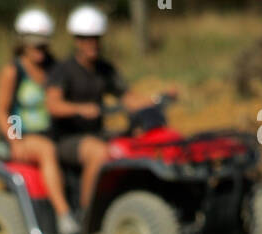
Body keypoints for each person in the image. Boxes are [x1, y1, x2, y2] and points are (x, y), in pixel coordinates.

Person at [45, 5, 172, 215]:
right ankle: (87, 214)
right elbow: (53, 104)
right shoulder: (63, 70)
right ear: (76, 40)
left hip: (97, 134)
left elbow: (128, 97)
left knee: (133, 144)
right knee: (99, 153)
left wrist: (157, 99)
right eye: (86, 38)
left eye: (96, 38)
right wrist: (79, 109)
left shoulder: (105, 69)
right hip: (67, 140)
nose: (92, 44)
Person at [0, 9, 80, 234]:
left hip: (55, 132)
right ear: (22, 43)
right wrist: (15, 140)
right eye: (34, 45)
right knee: (47, 150)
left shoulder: (55, 68)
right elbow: (3, 110)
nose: (39, 50)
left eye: (43, 45)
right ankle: (64, 215)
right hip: (26, 135)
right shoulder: (13, 71)